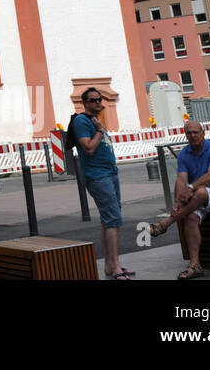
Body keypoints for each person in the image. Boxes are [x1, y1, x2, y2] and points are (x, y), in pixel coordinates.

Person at [149, 120, 210, 279]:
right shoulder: (184, 153)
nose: (193, 135)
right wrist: (178, 202)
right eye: (189, 133)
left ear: (203, 133)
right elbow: (181, 180)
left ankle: (166, 223)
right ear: (185, 135)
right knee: (190, 216)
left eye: (196, 132)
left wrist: (189, 188)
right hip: (197, 199)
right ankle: (195, 265)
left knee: (201, 192)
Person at [71, 87, 130, 280]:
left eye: (100, 100)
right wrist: (99, 130)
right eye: (94, 100)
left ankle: (111, 265)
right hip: (98, 176)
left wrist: (99, 128)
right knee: (113, 220)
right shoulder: (82, 121)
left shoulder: (94, 120)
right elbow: (87, 148)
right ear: (85, 103)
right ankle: (115, 269)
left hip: (109, 173)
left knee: (109, 220)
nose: (99, 103)